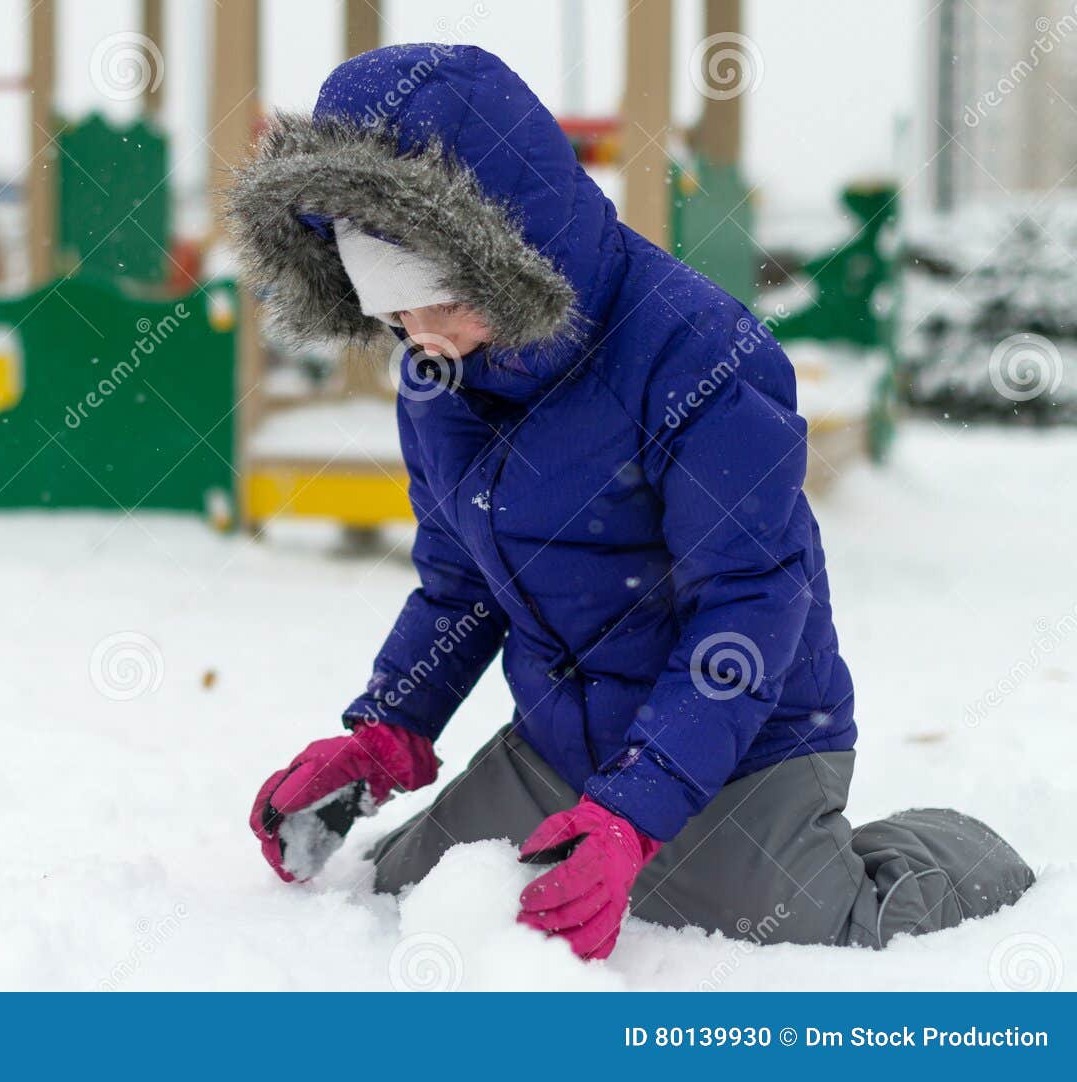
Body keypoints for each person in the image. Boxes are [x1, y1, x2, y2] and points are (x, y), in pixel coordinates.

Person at [228, 44, 1033, 960]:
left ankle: (949, 852)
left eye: (437, 300)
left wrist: (638, 805)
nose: (418, 334)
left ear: (503, 249)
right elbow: (461, 584)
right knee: (404, 897)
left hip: (743, 742)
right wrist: (387, 730)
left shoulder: (700, 357)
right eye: (390, 309)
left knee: (813, 930)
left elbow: (749, 601)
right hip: (560, 746)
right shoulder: (433, 373)